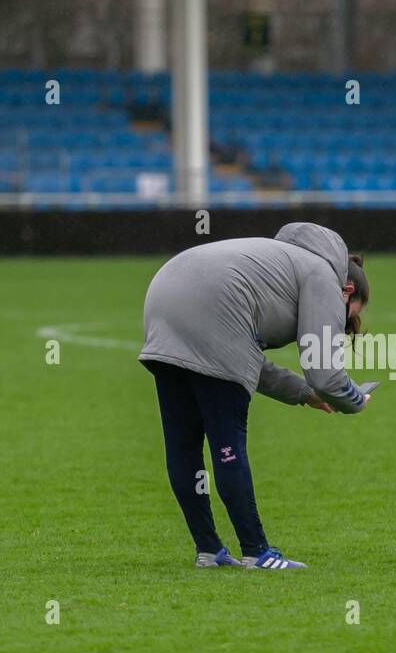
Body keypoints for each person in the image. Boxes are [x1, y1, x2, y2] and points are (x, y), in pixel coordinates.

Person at [139, 222, 371, 570]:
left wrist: (302, 394)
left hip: (162, 298)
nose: (348, 323)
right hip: (215, 307)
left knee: (183, 444)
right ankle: (256, 551)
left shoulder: (277, 261)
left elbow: (244, 359)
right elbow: (325, 374)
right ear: (347, 290)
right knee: (227, 444)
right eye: (353, 313)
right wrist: (354, 400)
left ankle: (209, 550)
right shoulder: (324, 274)